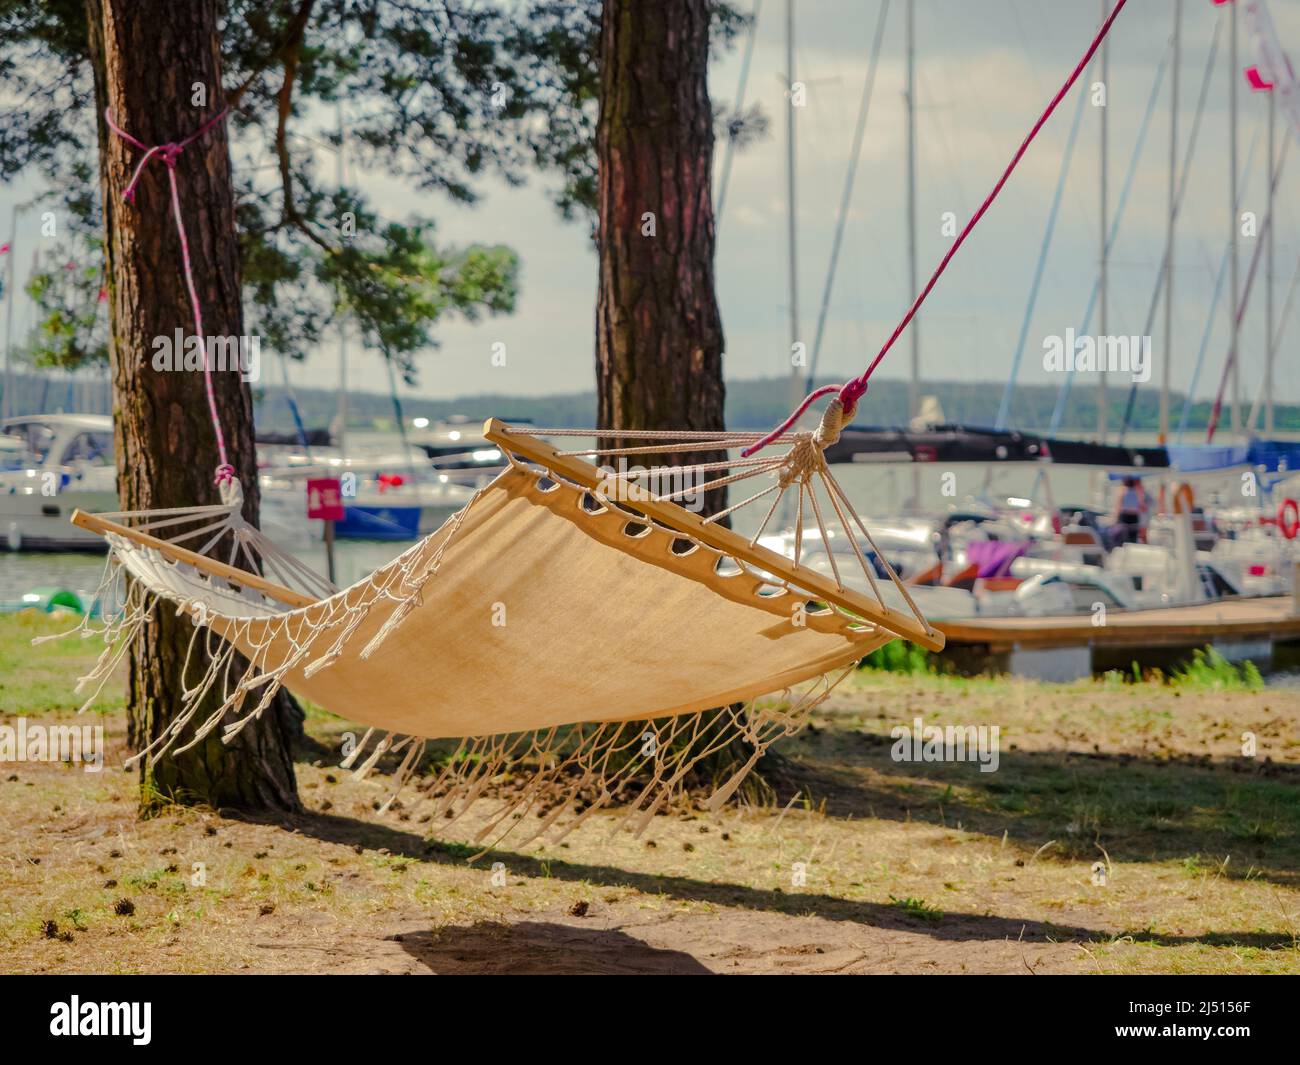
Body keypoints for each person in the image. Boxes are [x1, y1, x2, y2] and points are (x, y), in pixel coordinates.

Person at [1109, 475, 1147, 547]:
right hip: (1134, 517)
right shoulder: (1138, 491)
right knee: (1132, 541)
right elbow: (1142, 507)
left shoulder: (1122, 490)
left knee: (1122, 541)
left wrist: (1115, 520)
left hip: (1125, 517)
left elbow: (1118, 506)